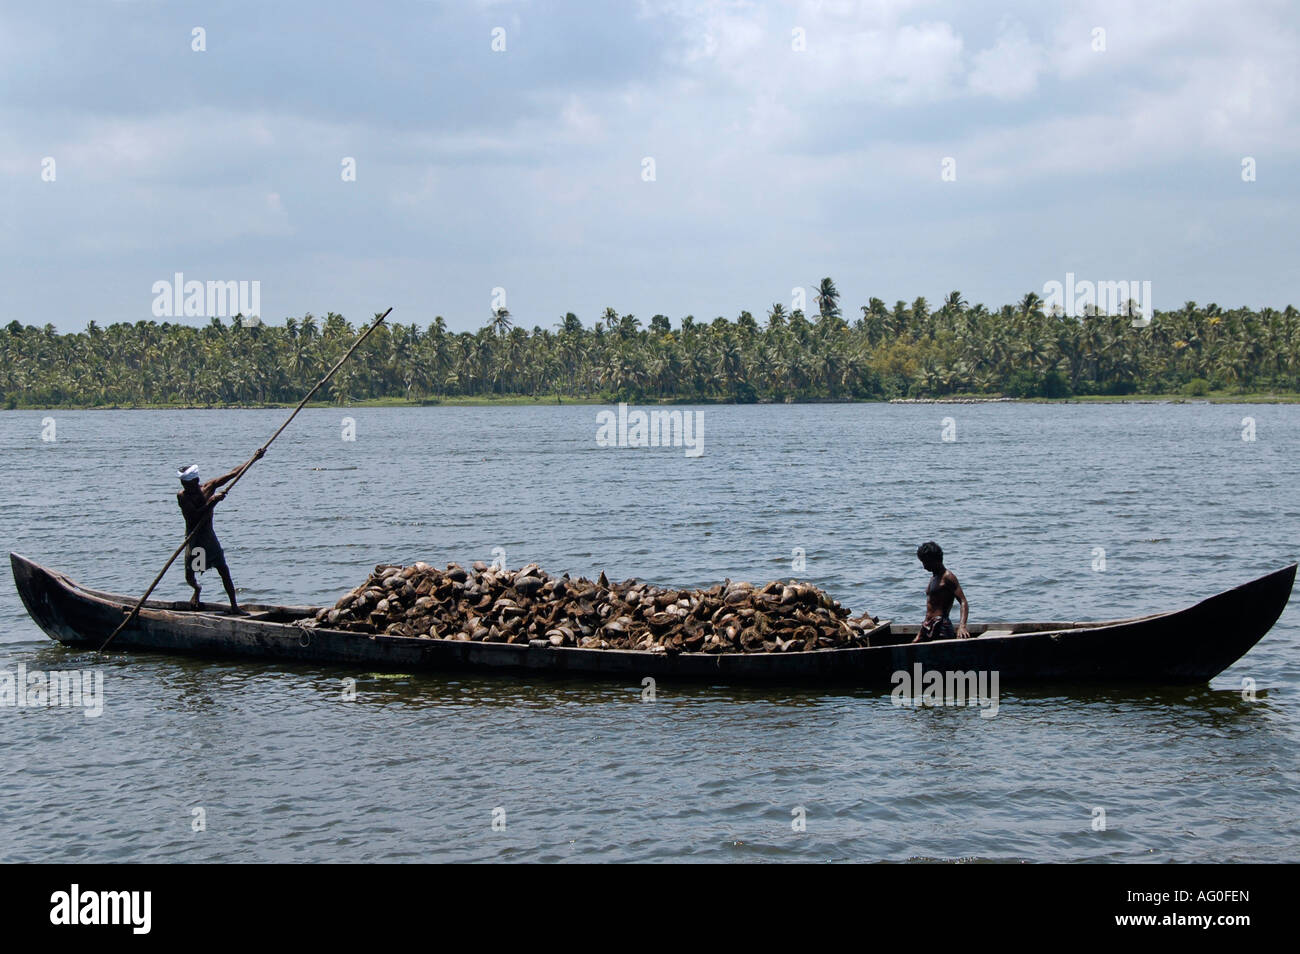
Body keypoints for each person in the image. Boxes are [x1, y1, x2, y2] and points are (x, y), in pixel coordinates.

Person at [176, 451, 260, 613]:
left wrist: (253, 459)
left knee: (223, 569)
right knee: (192, 573)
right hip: (195, 540)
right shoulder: (182, 497)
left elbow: (233, 474)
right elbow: (194, 516)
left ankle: (234, 607)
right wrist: (213, 502)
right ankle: (197, 589)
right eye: (183, 484)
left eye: (188, 484)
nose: (185, 487)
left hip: (208, 538)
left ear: (196, 481)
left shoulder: (209, 487)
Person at [913, 541, 971, 642]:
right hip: (928, 625)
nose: (924, 566)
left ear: (934, 560)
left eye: (925, 562)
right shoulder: (933, 578)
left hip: (941, 627)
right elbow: (930, 608)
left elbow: (963, 601)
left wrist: (962, 626)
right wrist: (920, 633)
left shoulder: (948, 577)